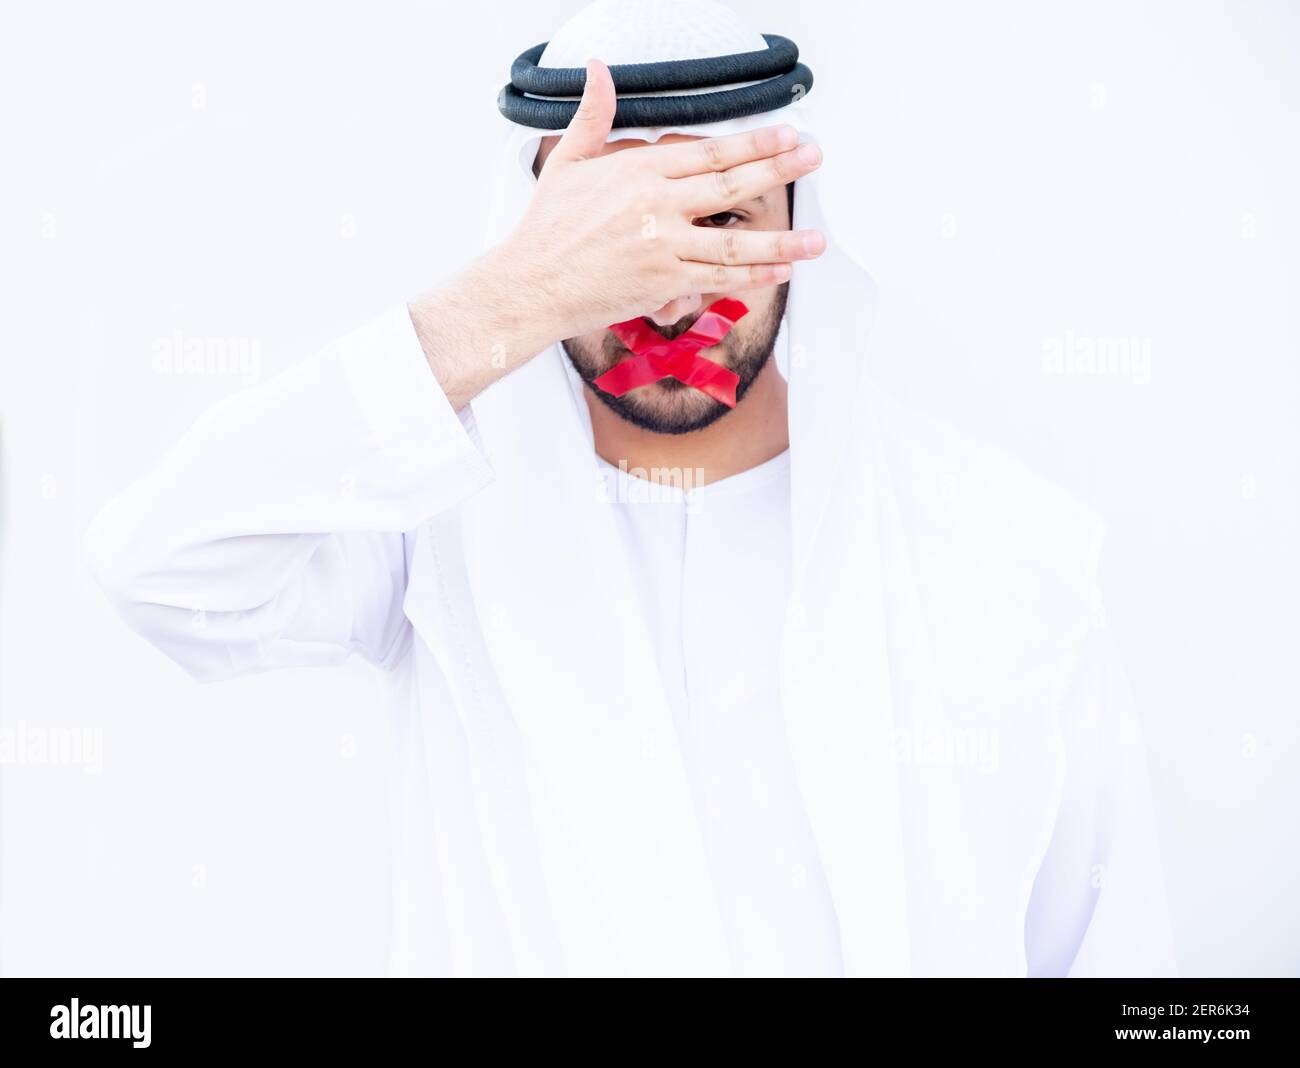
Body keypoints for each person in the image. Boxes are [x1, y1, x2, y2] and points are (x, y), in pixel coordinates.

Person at [84, 0, 1178, 977]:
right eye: (615, 246)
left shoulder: (999, 550)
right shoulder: (432, 524)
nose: (665, 298)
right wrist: (508, 302)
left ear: (799, 234)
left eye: (721, 228)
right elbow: (160, 572)